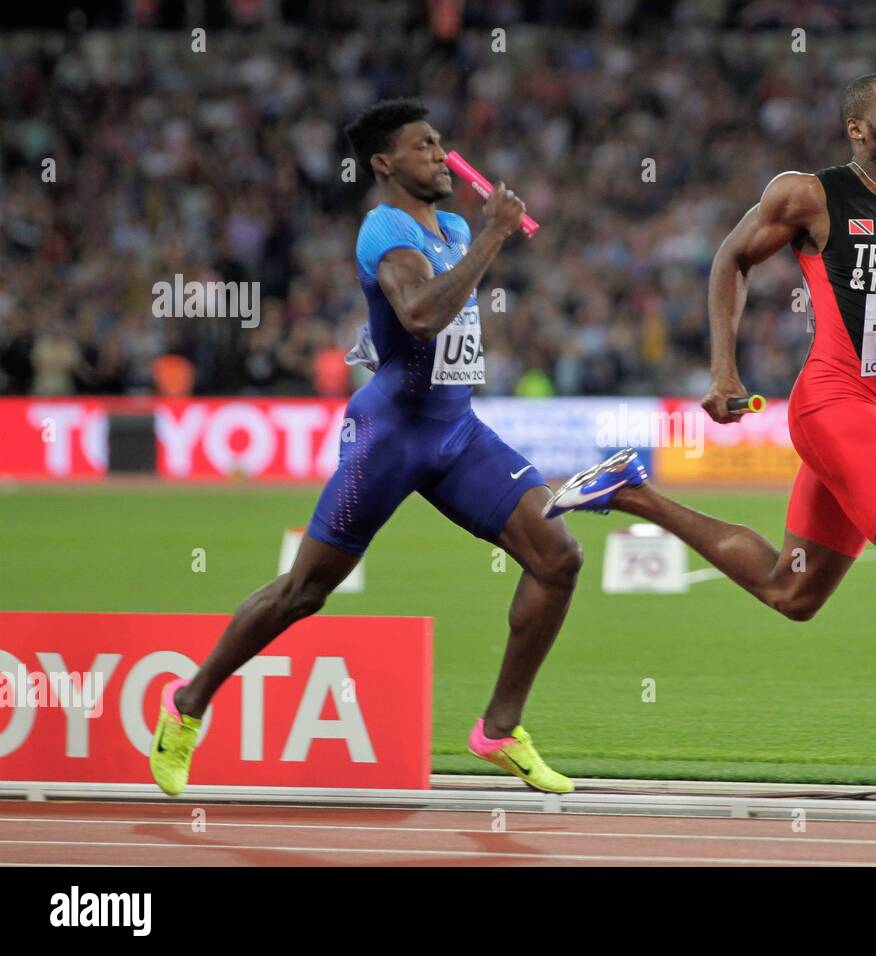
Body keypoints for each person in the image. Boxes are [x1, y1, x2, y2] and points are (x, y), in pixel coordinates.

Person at [546, 74, 876, 826]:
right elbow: (731, 260)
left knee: (789, 592)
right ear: (857, 130)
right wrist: (723, 369)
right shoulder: (810, 195)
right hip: (835, 407)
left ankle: (631, 491)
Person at [150, 99, 581, 796]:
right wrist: (494, 238)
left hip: (455, 430)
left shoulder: (454, 225)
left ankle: (498, 731)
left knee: (558, 556)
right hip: (391, 438)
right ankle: (187, 703)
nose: (442, 155)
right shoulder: (383, 230)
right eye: (424, 146)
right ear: (385, 163)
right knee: (303, 591)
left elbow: (443, 322)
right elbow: (417, 315)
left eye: (442, 144)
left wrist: (479, 238)